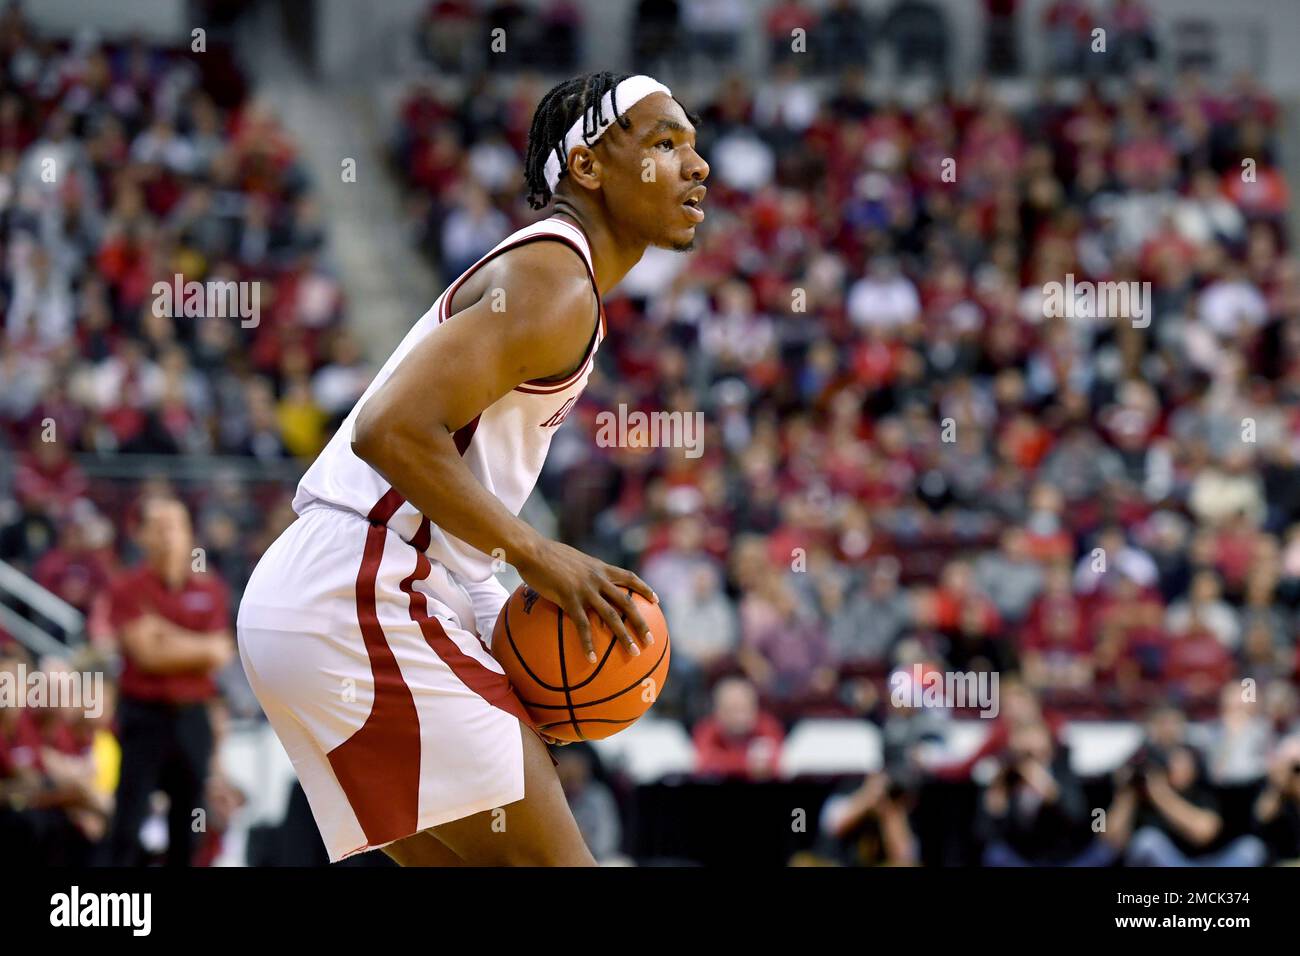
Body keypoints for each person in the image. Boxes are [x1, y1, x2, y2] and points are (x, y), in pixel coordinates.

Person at [237, 73, 708, 866]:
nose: (696, 165)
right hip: (362, 586)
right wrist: (538, 554)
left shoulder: (557, 278)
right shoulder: (555, 281)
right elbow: (390, 432)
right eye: (664, 143)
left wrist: (503, 622)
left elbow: (437, 483)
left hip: (336, 591)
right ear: (588, 168)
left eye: (694, 145)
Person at [105, 495, 232, 865]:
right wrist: (198, 648)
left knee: (190, 821)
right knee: (129, 818)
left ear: (189, 532)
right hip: (144, 717)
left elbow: (220, 653)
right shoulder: (127, 588)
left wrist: (164, 633)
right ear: (140, 536)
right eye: (157, 528)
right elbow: (146, 655)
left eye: (174, 526)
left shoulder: (211, 590)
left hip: (193, 717)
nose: (167, 536)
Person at [1104, 705, 1267, 866]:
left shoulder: (1199, 768)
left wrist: (1162, 795)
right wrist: (1125, 793)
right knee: (1147, 842)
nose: (1168, 765)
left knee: (1251, 848)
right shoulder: (1139, 770)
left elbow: (1204, 832)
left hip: (1207, 862)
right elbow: (1111, 841)